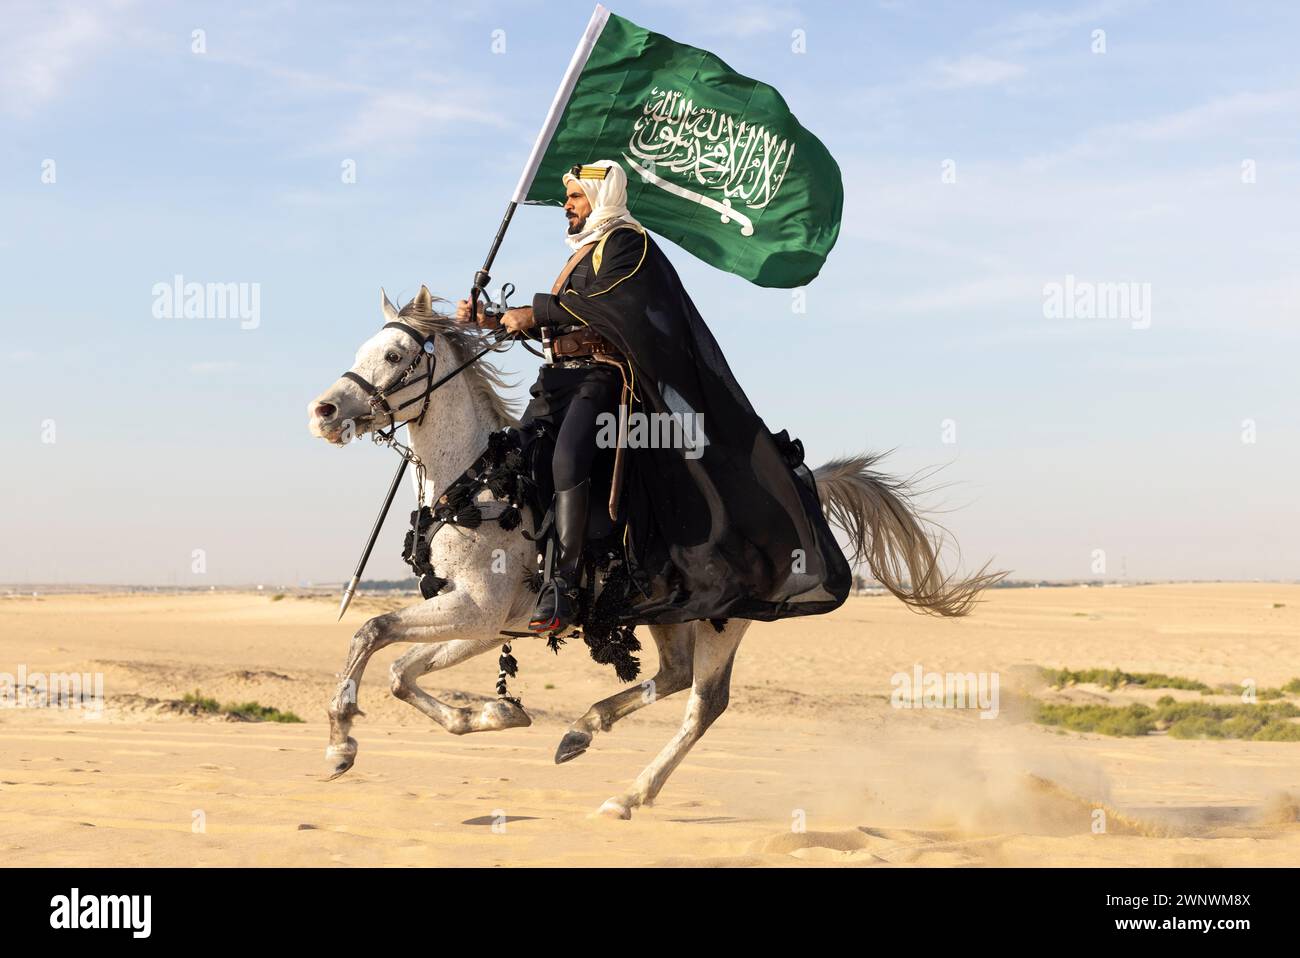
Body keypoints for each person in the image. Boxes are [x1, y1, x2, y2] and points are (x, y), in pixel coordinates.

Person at [458, 159, 850, 634]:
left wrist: (534, 309)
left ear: (601, 198)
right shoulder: (583, 254)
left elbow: (611, 306)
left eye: (576, 197)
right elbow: (563, 318)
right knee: (517, 462)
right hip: (558, 382)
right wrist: (494, 318)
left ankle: (563, 585)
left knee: (567, 461)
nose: (567, 206)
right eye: (569, 198)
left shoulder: (628, 244)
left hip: (602, 382)